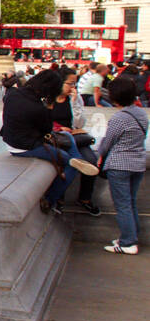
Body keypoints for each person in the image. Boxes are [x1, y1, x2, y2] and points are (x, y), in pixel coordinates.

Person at [0, 69, 99, 215]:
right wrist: (49, 106)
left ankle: (74, 160)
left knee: (68, 138)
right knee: (71, 164)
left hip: (11, 141)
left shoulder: (13, 94)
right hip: (27, 147)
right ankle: (51, 199)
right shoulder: (38, 108)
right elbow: (46, 130)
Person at [96, 76, 148, 254]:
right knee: (131, 203)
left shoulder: (118, 118)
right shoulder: (141, 113)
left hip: (119, 165)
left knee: (122, 205)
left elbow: (107, 142)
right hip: (138, 163)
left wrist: (99, 154)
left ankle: (127, 243)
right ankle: (131, 236)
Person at [51, 67, 100, 216]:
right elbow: (41, 120)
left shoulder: (75, 99)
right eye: (70, 84)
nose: (73, 88)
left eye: (75, 84)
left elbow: (79, 124)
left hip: (74, 137)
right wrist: (58, 129)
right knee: (61, 162)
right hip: (56, 138)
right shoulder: (48, 98)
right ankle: (58, 198)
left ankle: (85, 198)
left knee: (91, 160)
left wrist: (74, 103)